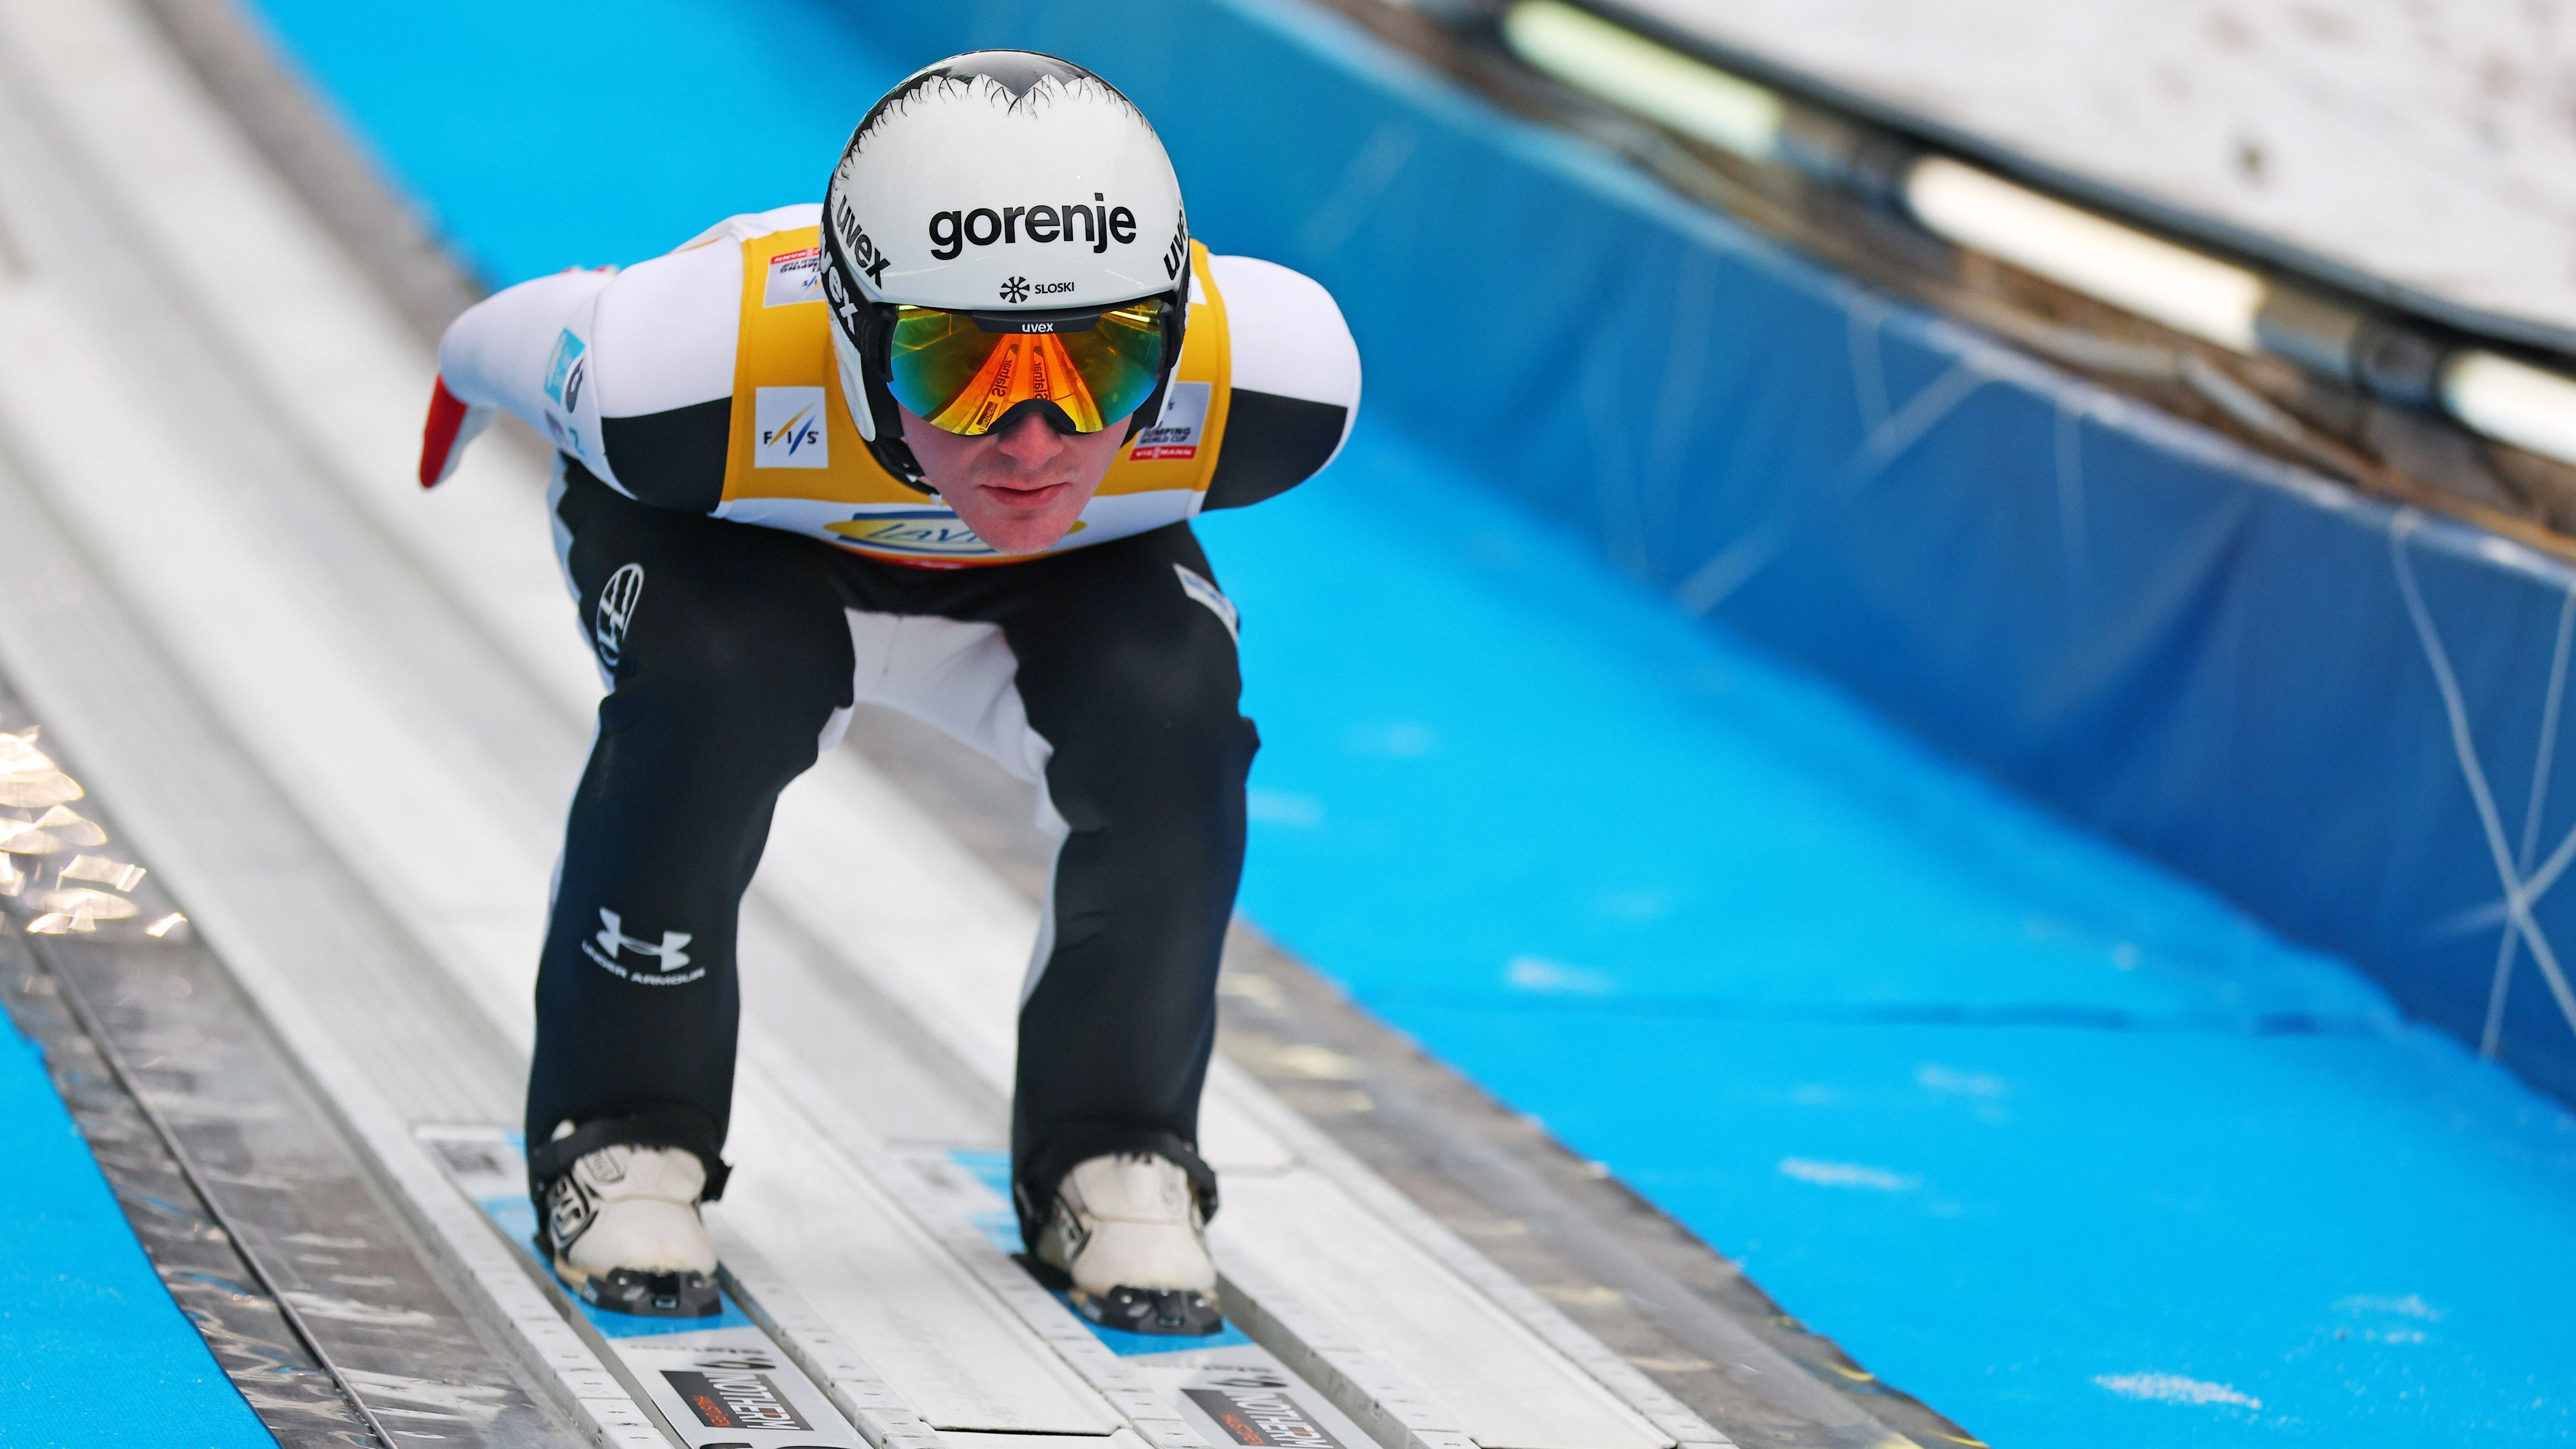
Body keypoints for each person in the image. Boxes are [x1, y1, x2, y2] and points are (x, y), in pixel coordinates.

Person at [417, 51, 1359, 1334]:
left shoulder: (1277, 381)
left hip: (1051, 576)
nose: (1032, 440)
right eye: (958, 366)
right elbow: (503, 337)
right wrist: (461, 382)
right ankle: (619, 1128)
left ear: (1174, 336)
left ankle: (1116, 1145)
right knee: (718, 688)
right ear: (853, 330)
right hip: (730, 552)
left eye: (1103, 363)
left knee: (1173, 713)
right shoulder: (675, 375)